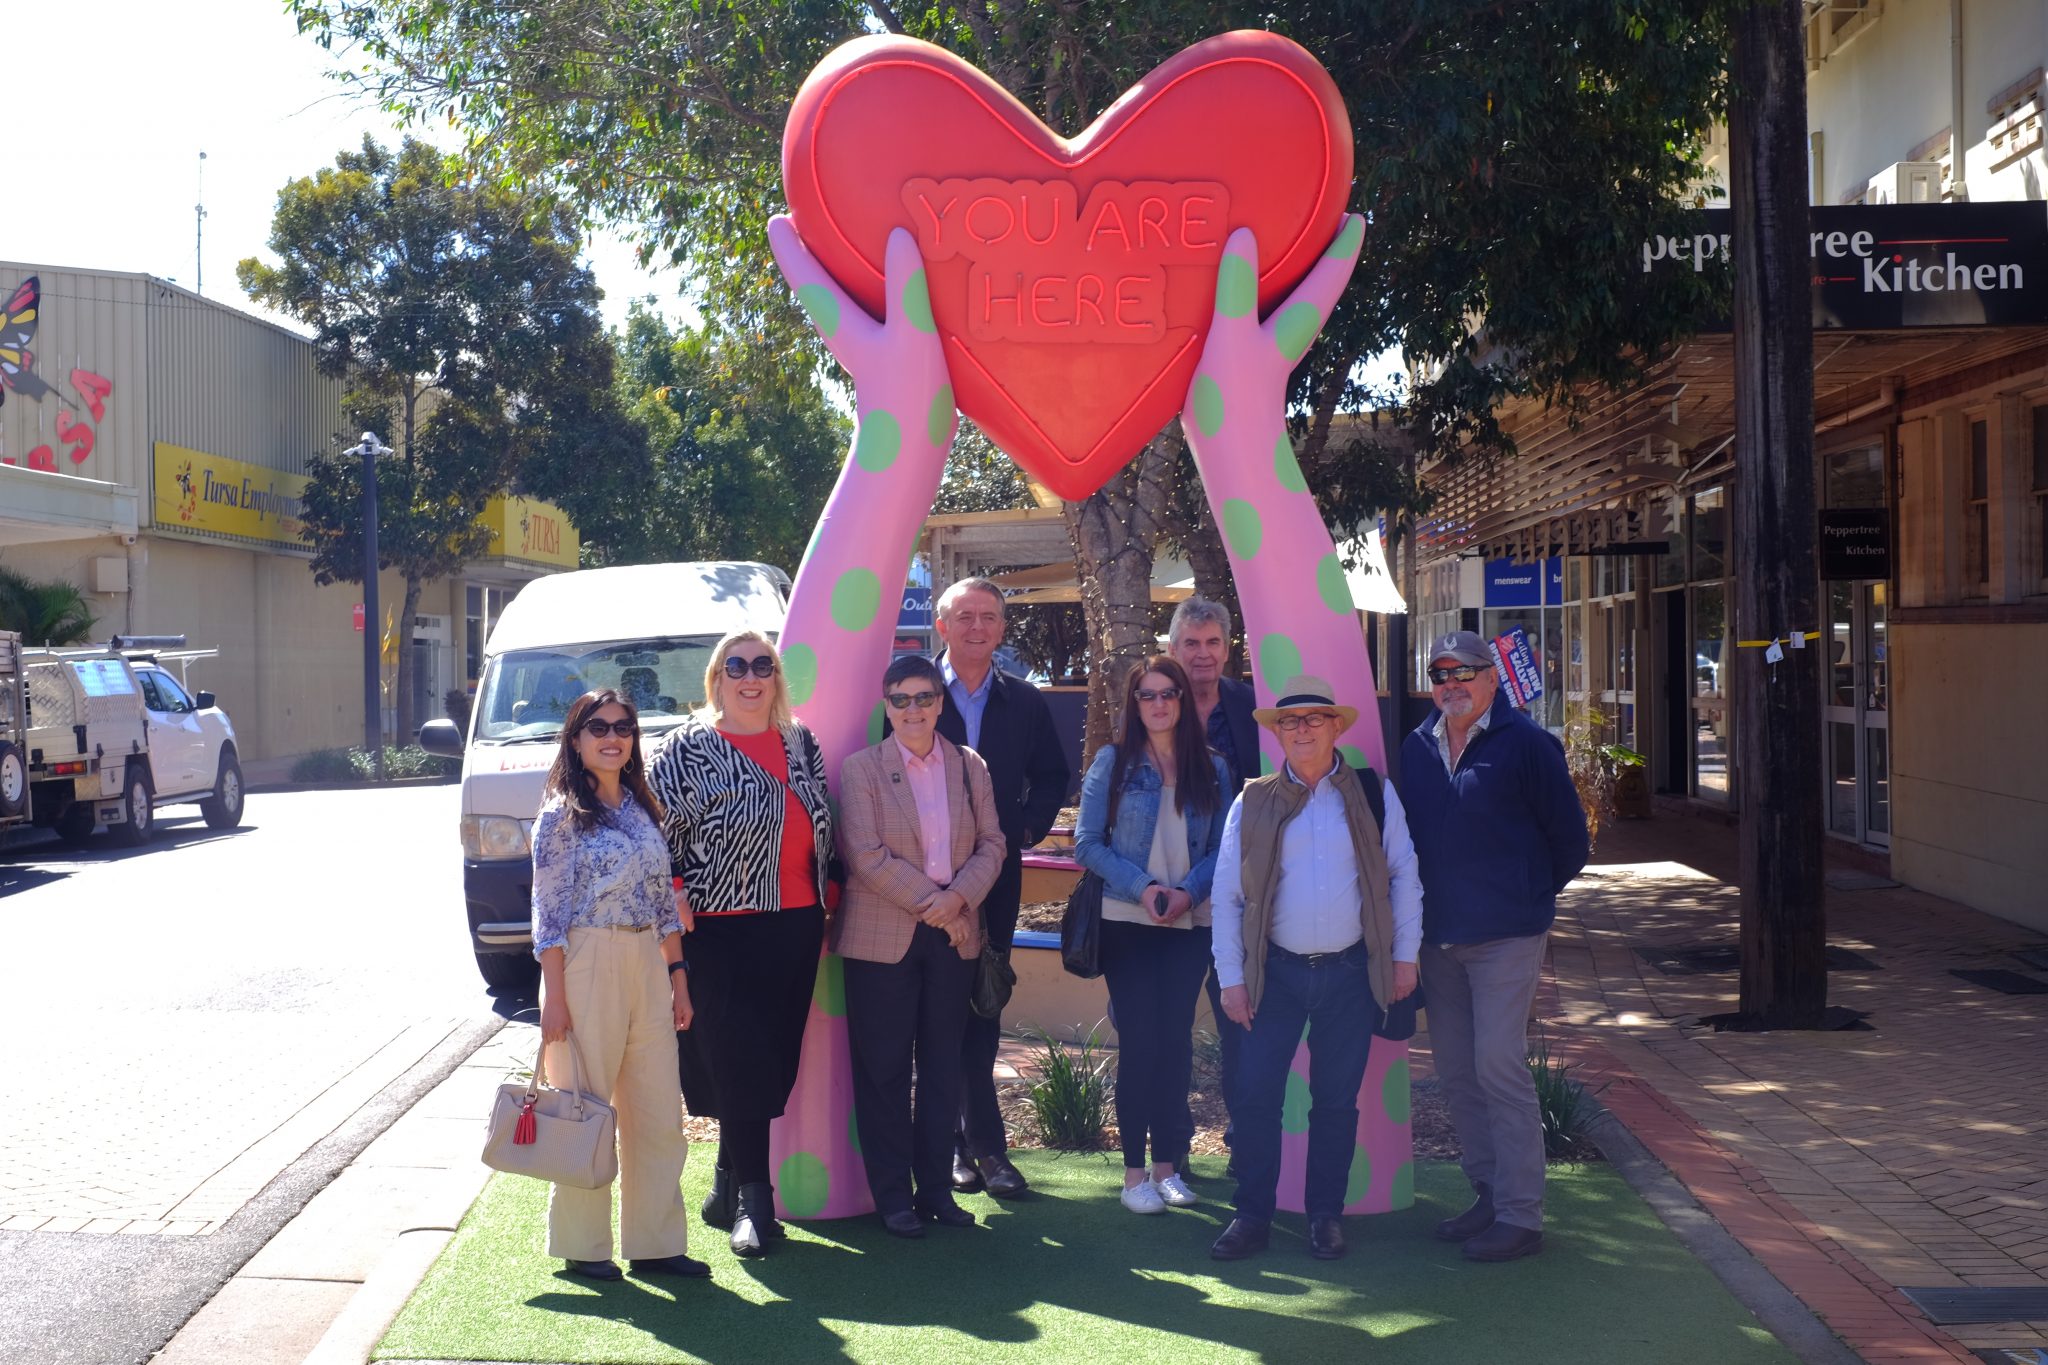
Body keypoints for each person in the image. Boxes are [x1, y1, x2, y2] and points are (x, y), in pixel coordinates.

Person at [1208, 675, 1423, 1262]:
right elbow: (1228, 895)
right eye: (1290, 721)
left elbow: (1403, 875)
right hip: (1272, 977)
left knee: (1335, 1102)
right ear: (1278, 733)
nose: (1302, 729)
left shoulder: (1372, 794)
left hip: (1351, 975)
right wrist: (1231, 979)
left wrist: (1405, 958)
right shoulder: (1252, 801)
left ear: (1336, 728)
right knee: (1255, 1098)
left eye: (1314, 719)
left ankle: (1325, 1215)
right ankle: (1251, 1215)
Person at [1399, 631, 1588, 1263]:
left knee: (1499, 1066)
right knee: (1457, 1071)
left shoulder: (1529, 745)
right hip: (1438, 939)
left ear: (1491, 678)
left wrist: (1524, 897)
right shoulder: (1417, 747)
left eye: (1464, 672)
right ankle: (1488, 1193)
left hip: (1506, 938)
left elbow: (1570, 841)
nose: (1451, 684)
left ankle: (1521, 1215)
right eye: (1440, 674)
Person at [646, 631, 836, 1257]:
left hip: (796, 924)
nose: (750, 677)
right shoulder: (686, 747)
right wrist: (674, 890)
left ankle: (726, 1184)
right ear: (716, 678)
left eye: (762, 665)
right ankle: (757, 1202)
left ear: (776, 676)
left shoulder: (800, 741)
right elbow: (651, 828)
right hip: (718, 928)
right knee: (740, 1056)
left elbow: (823, 822)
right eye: (737, 666)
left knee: (770, 1057)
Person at [531, 689, 707, 1283]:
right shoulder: (559, 816)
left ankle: (656, 1243)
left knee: (657, 1111)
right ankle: (583, 1246)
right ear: (576, 740)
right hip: (585, 961)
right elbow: (547, 914)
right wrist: (555, 998)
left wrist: (678, 977)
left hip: (646, 963)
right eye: (599, 727)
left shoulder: (640, 807)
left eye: (623, 727)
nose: (613, 737)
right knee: (585, 1108)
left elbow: (662, 903)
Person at [835, 656, 1007, 1238]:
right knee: (883, 1071)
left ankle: (935, 1190)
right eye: (901, 699)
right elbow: (865, 854)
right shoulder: (861, 769)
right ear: (887, 706)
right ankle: (892, 1198)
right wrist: (941, 906)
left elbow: (993, 845)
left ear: (940, 703)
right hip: (882, 941)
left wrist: (956, 901)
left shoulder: (969, 766)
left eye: (924, 698)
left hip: (953, 939)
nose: (914, 709)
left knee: (942, 1068)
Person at [928, 577, 1071, 1200]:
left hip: (996, 878)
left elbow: (1054, 775)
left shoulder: (1024, 700)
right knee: (936, 1013)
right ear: (942, 626)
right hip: (926, 885)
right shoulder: (913, 692)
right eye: (965, 616)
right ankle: (951, 1148)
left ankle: (984, 1148)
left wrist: (1023, 830)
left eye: (988, 616)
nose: (977, 627)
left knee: (984, 1005)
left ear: (1002, 628)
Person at [1073, 656, 1230, 1215]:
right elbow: (1086, 843)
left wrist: (1186, 892)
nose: (1159, 704)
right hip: (1128, 922)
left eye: (1168, 693)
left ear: (1183, 699)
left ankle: (1168, 1168)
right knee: (1141, 1044)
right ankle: (1134, 1176)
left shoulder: (1212, 767)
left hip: (1189, 923)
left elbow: (1224, 848)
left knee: (1175, 1044)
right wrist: (1144, 889)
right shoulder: (1112, 763)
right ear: (1134, 704)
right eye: (1147, 695)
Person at [1167, 596, 1259, 1177]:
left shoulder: (1253, 707)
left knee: (1241, 1024)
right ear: (1173, 649)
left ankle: (1246, 1145)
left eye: (1212, 643)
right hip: (1167, 898)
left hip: (1240, 897)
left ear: (1227, 649)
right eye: (1191, 643)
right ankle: (1171, 1150)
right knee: (1168, 1027)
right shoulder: (1153, 703)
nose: (1202, 655)